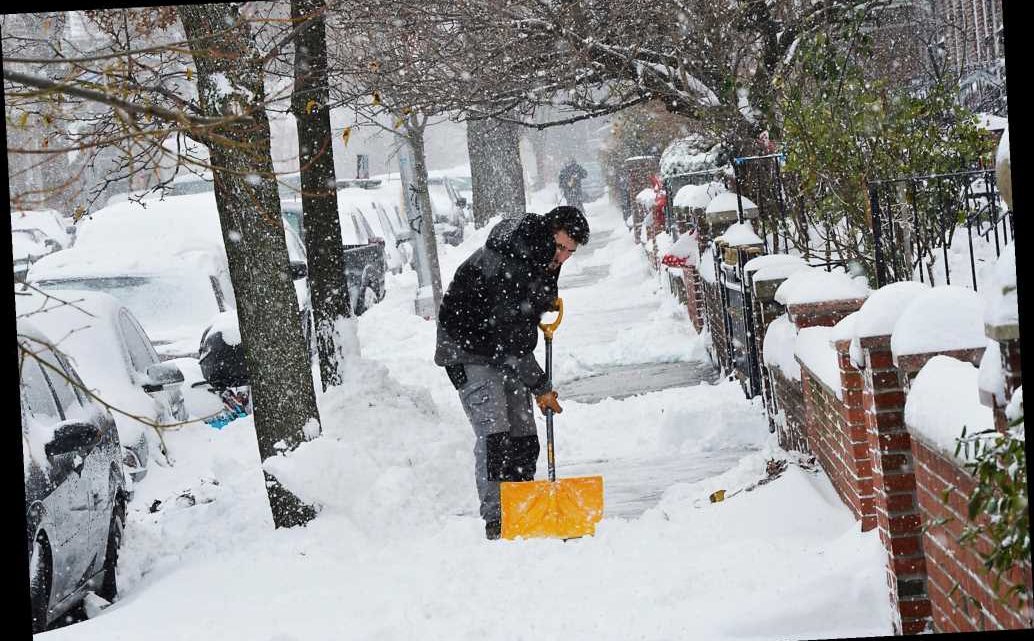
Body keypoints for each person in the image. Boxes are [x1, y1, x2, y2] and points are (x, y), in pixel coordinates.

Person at [434, 206, 590, 540]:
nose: (563, 257)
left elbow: (524, 318)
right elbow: (513, 337)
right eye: (561, 247)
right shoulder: (510, 260)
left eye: (570, 252)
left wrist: (543, 302)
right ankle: (497, 520)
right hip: (467, 347)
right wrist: (540, 386)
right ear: (550, 233)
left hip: (500, 347)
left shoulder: (544, 257)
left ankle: (524, 504)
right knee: (495, 432)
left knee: (522, 429)